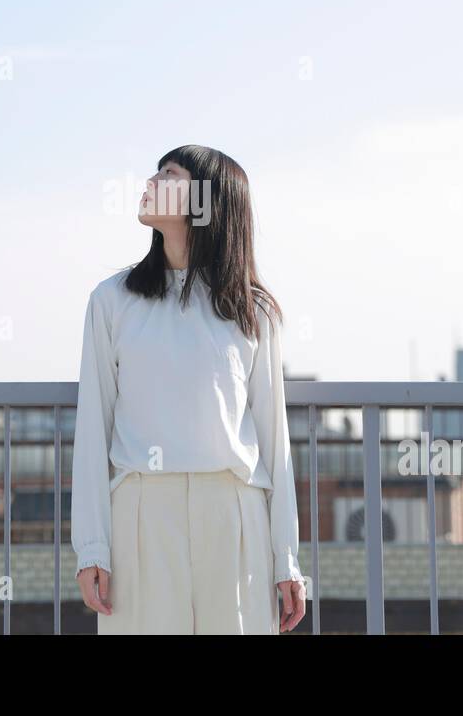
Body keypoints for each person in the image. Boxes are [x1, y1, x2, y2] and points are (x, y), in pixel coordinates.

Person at [71, 144, 307, 634]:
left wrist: (286, 559)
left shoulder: (252, 311)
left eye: (169, 173)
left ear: (207, 199)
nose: (150, 181)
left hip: (234, 515)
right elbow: (93, 428)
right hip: (140, 514)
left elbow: (274, 441)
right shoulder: (112, 301)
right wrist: (91, 547)